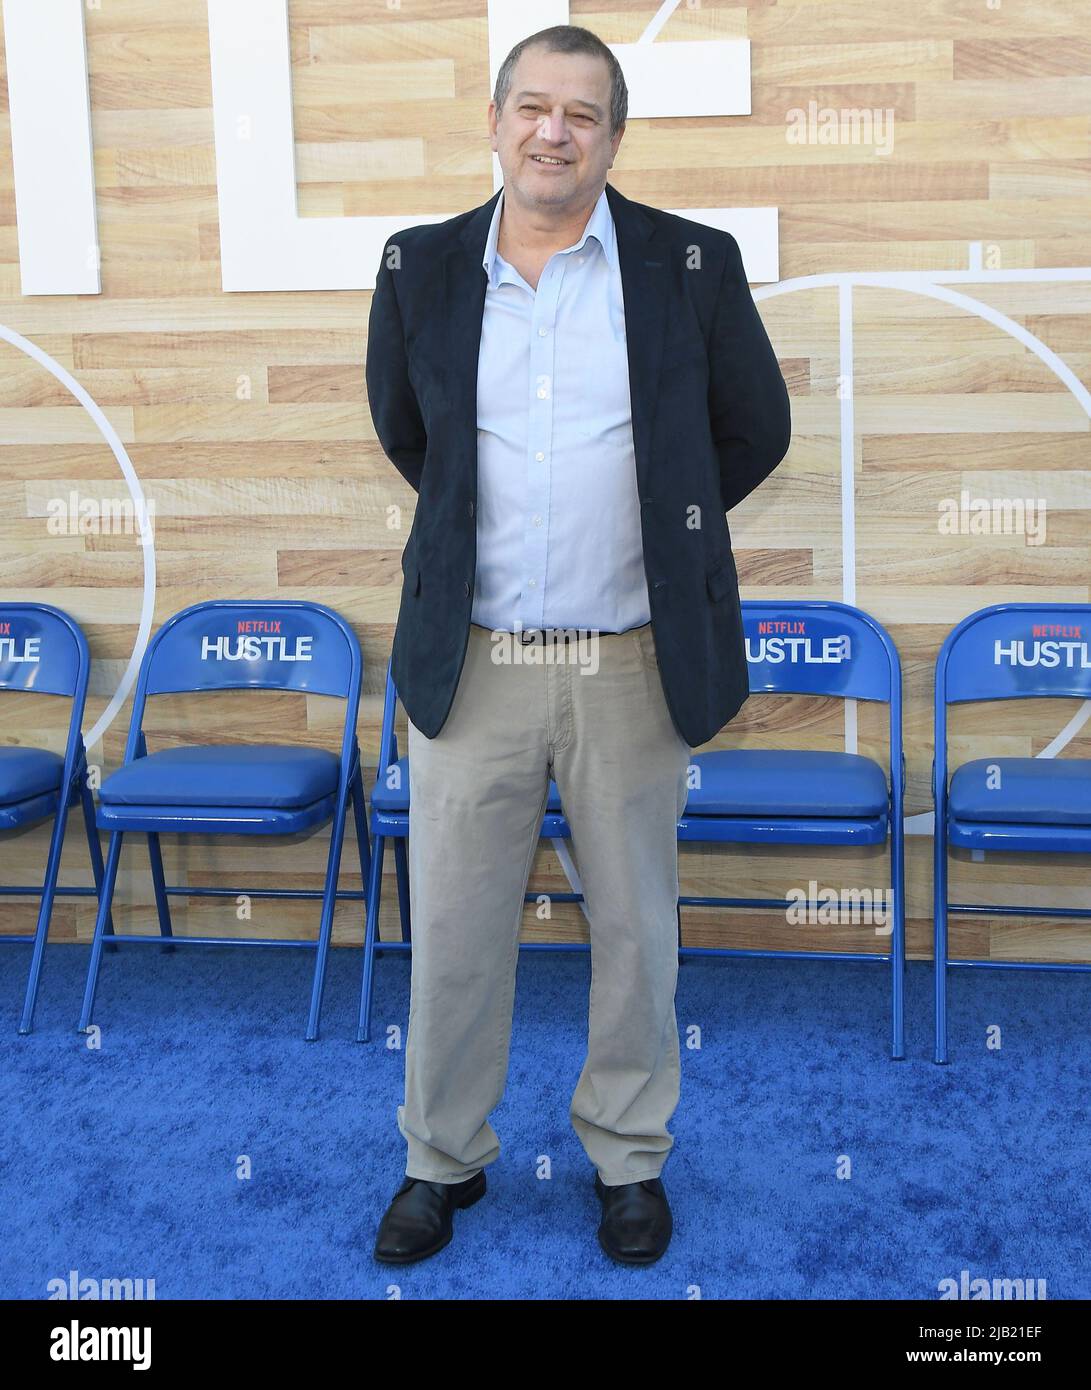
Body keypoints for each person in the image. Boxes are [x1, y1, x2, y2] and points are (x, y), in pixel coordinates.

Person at [365, 23, 791, 1267]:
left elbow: (750, 429)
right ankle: (441, 1159)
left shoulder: (692, 265)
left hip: (629, 661)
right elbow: (409, 433)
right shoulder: (420, 266)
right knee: (452, 927)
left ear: (613, 136)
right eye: (532, 107)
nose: (554, 131)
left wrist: (665, 523)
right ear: (495, 121)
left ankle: (626, 1156)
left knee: (635, 929)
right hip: (475, 658)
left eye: (583, 114)